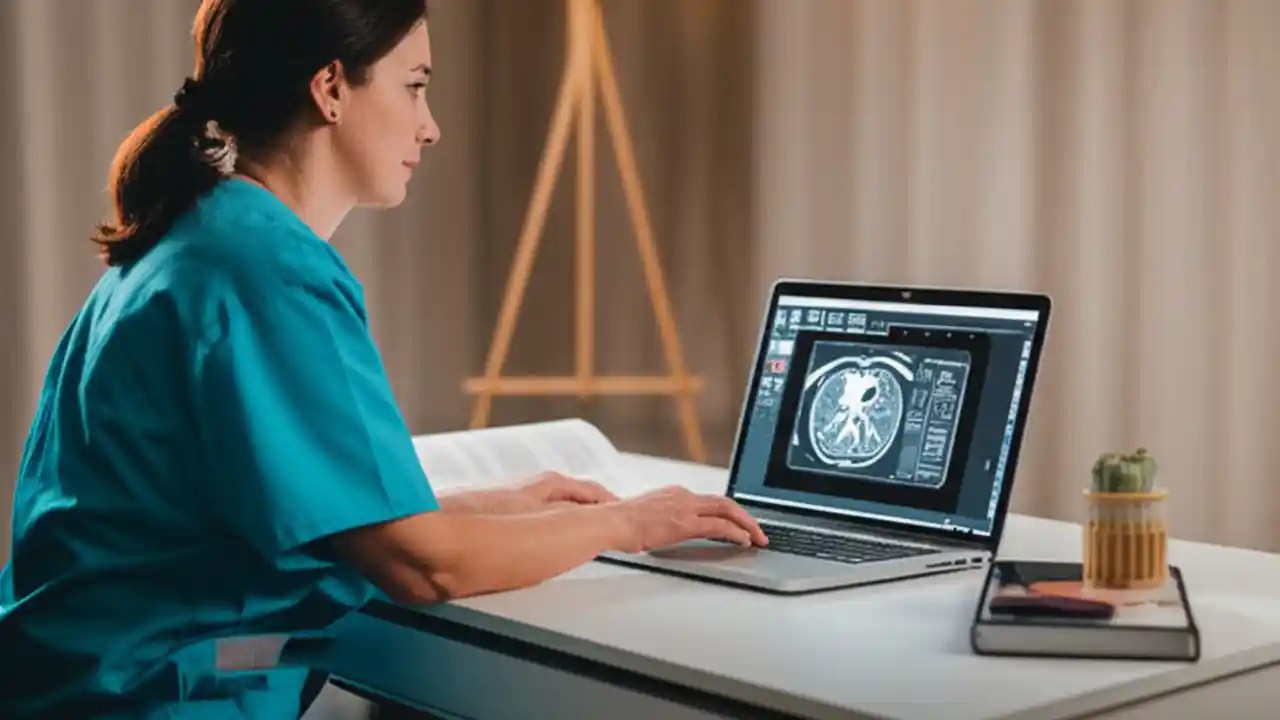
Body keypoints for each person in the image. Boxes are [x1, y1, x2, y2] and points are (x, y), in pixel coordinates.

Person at [0, 1, 768, 717]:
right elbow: (422, 568)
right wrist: (630, 524)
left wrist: (487, 506)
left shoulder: (195, 239)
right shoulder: (266, 272)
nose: (430, 128)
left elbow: (295, 524)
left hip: (85, 669)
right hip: (158, 685)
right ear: (332, 88)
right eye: (414, 87)